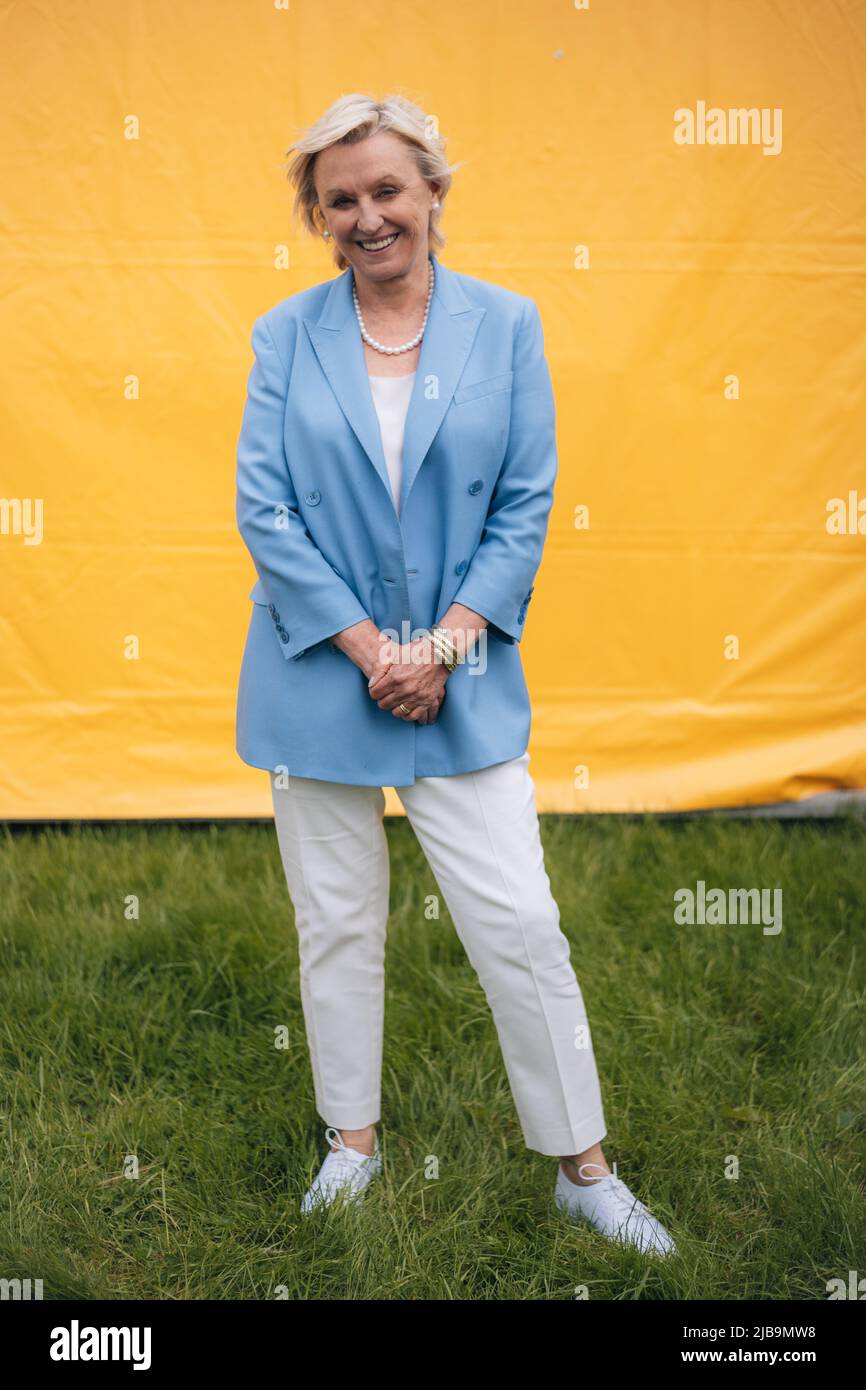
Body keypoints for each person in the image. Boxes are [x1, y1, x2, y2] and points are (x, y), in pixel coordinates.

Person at [234, 92, 676, 1257]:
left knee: (521, 919)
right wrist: (369, 648)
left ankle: (582, 1169)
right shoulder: (283, 336)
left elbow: (523, 506)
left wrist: (437, 648)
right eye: (341, 200)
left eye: (387, 189)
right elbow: (265, 511)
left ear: (432, 191)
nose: (368, 215)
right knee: (334, 921)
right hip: (319, 670)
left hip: (459, 672)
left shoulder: (506, 325)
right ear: (317, 217)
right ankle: (352, 1145)